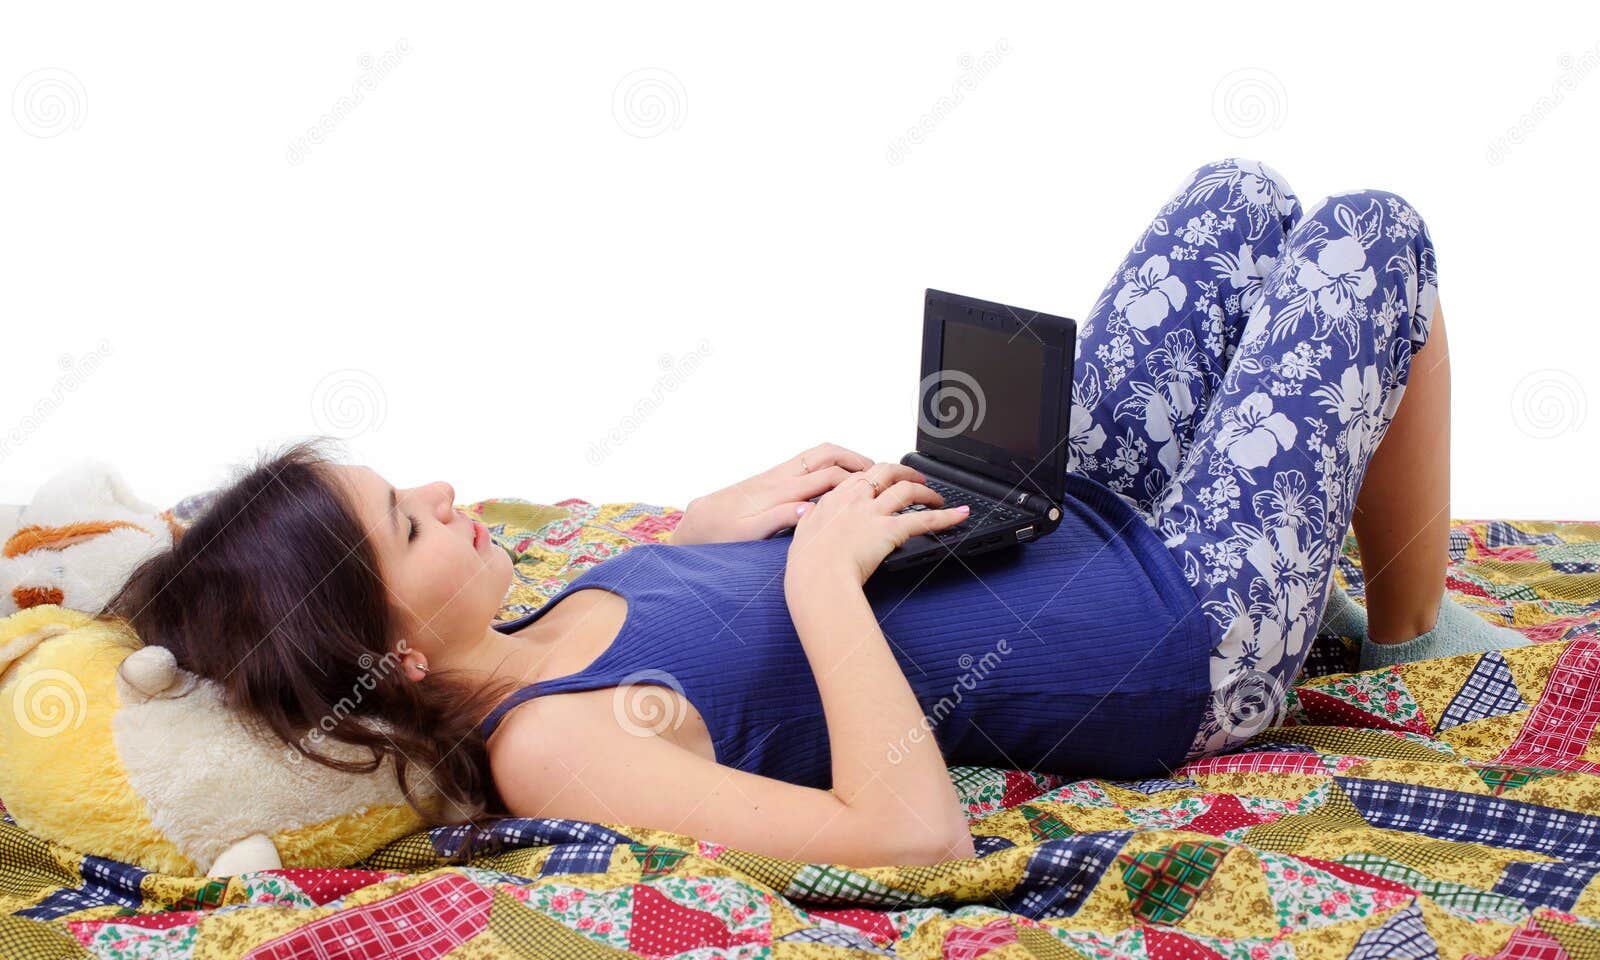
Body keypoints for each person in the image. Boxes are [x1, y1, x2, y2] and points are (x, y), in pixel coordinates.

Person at [101, 158, 1527, 870]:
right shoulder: (551, 752)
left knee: (1241, 202)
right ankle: (1397, 628)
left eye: (400, 485)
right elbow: (910, 843)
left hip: (1062, 521)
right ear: (397, 660)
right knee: (1372, 241)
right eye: (407, 528)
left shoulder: (534, 622)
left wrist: (727, 519)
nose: (441, 495)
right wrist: (826, 584)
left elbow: (686, 629)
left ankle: (1316, 561)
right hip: (1173, 639)